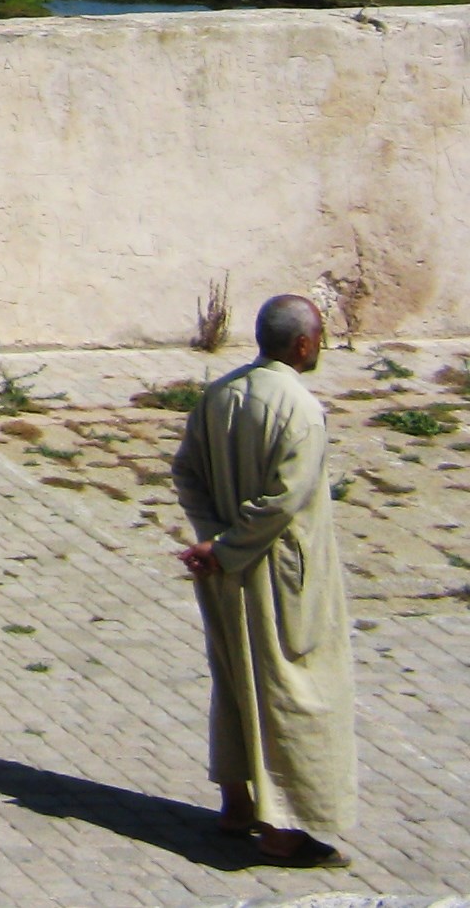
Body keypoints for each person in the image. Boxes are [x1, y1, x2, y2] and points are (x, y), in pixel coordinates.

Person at [172, 292, 354, 867]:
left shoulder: (221, 394)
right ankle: (282, 831)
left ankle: (236, 804)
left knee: (234, 678)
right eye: (319, 336)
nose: (320, 344)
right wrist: (226, 546)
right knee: (292, 693)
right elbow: (283, 502)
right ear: (302, 343)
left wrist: (211, 537)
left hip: (224, 569)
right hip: (280, 576)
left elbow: (187, 471)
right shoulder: (300, 409)